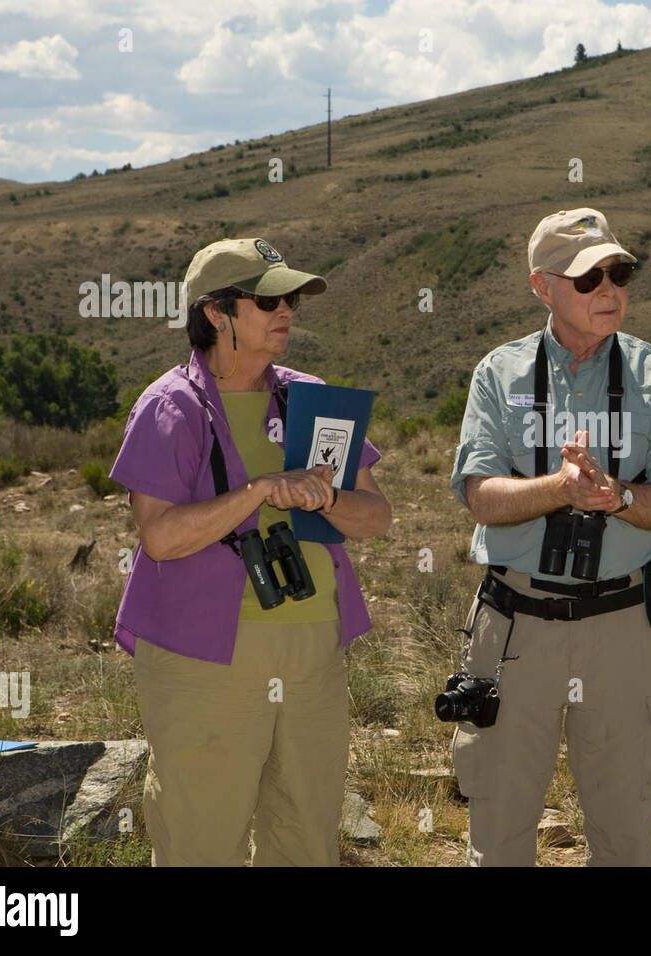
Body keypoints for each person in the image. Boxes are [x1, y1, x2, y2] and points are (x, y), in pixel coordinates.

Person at [110, 237, 392, 866]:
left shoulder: (311, 399)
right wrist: (259, 492)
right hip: (204, 657)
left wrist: (322, 499)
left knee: (306, 834)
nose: (286, 309)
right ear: (216, 312)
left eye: (290, 297)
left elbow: (375, 517)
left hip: (312, 647)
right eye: (268, 299)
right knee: (201, 837)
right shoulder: (170, 406)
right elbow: (160, 536)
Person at [448, 208, 651, 866]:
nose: (611, 290)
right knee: (500, 835)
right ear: (544, 288)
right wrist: (559, 490)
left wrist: (617, 497)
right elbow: (479, 494)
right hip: (516, 628)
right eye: (590, 279)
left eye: (619, 274)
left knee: (625, 835)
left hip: (626, 629)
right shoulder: (498, 374)